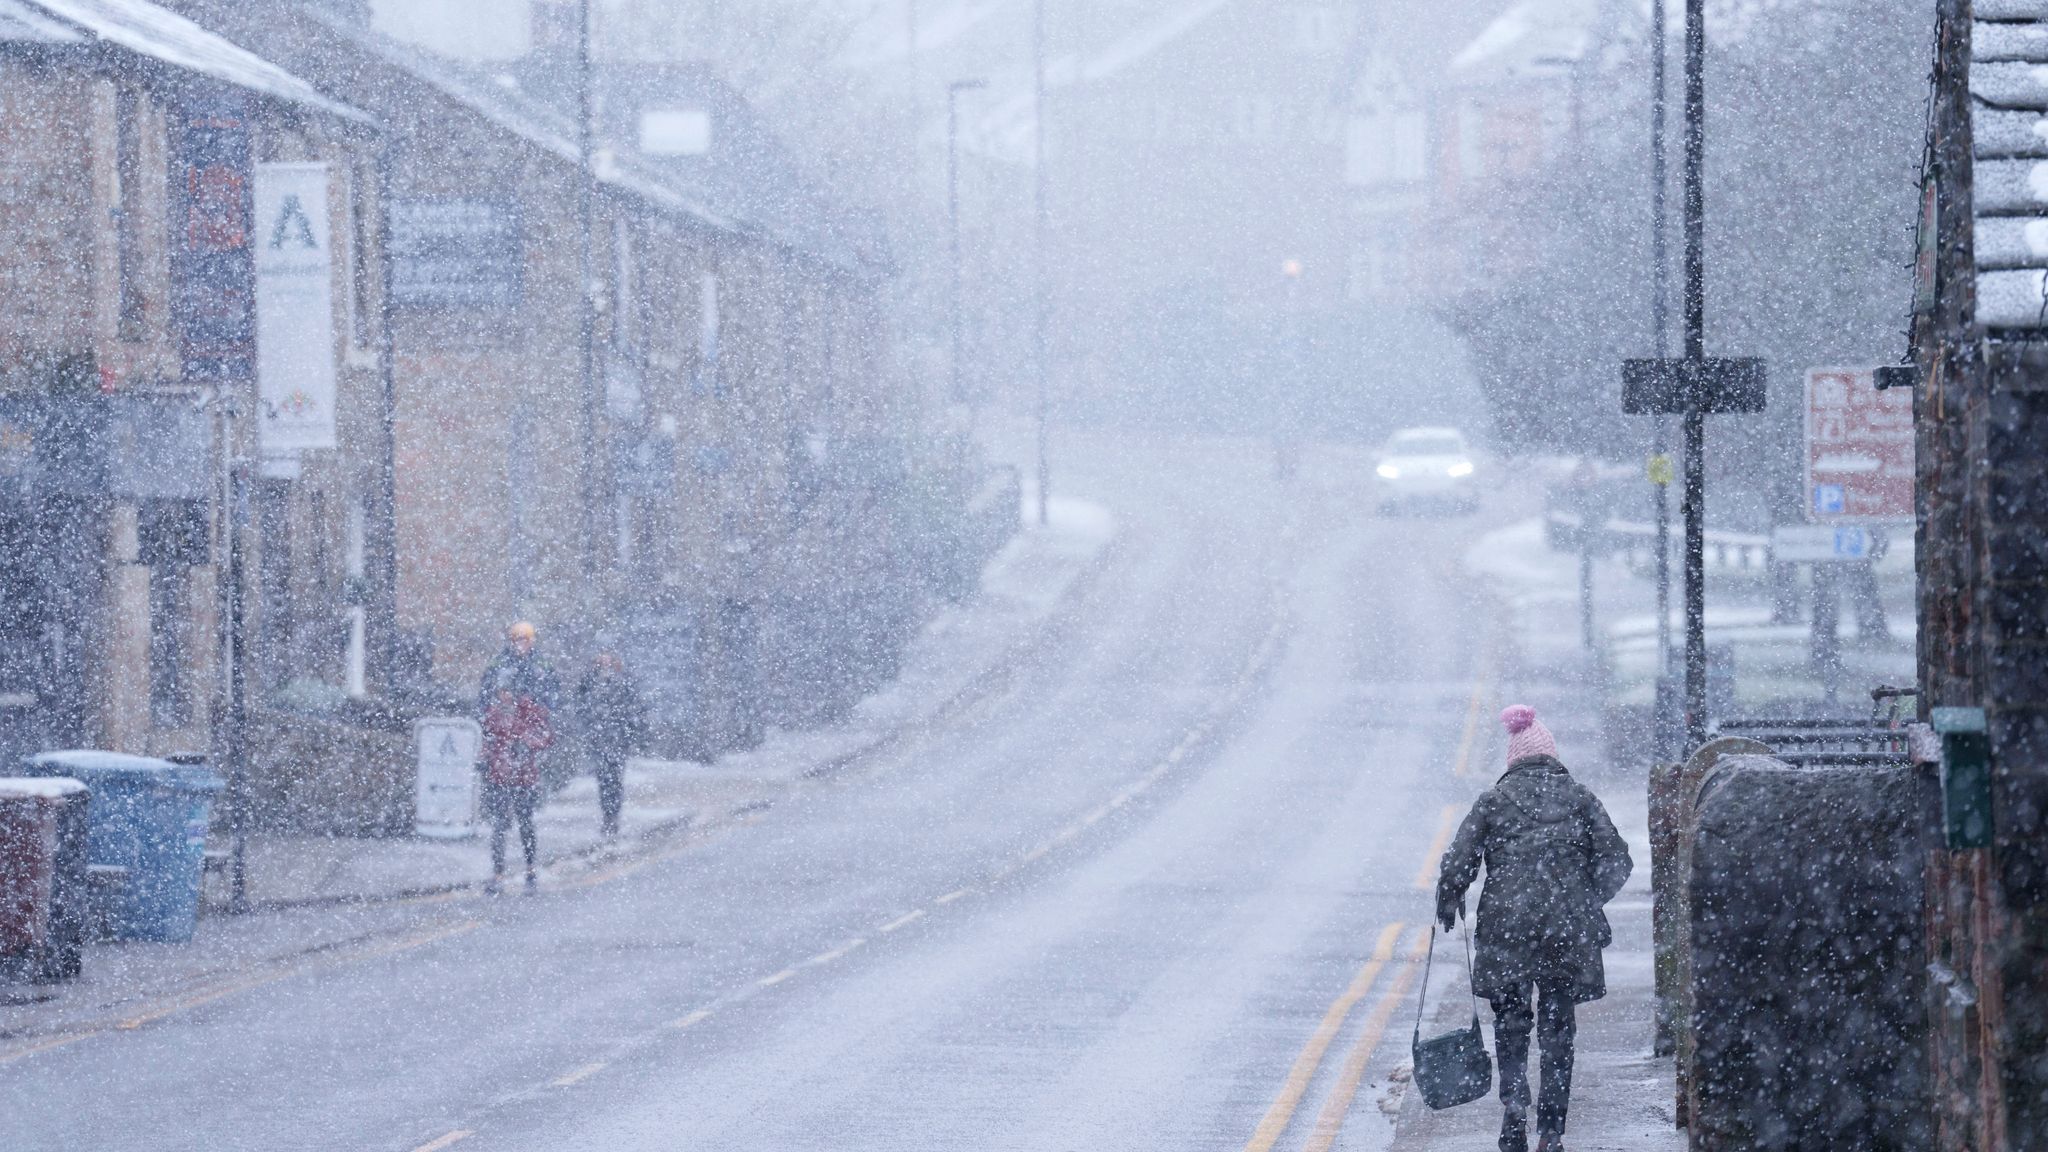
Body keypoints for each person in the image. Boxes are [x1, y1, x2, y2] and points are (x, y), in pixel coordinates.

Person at [1435, 705, 1633, 1152]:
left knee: (1511, 1022)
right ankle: (1551, 1131)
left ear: (1513, 759)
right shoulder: (1581, 799)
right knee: (1558, 1028)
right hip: (1567, 929)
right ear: (1552, 757)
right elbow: (1618, 859)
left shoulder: (1491, 802)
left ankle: (1514, 1106)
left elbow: (1459, 861)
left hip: (1507, 928)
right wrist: (1584, 900)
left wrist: (1449, 897)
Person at [480, 685, 552, 894]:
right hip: (500, 777)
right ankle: (497, 874)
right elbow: (487, 740)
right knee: (499, 826)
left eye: (508, 690)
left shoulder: (529, 711)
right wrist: (485, 758)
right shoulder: (493, 713)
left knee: (525, 823)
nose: (504, 695)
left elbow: (547, 737)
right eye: (501, 690)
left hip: (523, 779)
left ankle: (530, 871)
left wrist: (527, 743)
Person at [575, 651, 645, 838]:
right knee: (604, 780)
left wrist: (628, 735)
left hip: (616, 741)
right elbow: (581, 706)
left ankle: (613, 815)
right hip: (599, 741)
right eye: (601, 656)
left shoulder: (623, 682)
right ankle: (608, 815)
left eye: (608, 656)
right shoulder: (589, 681)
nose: (604, 661)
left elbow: (633, 710)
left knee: (615, 780)